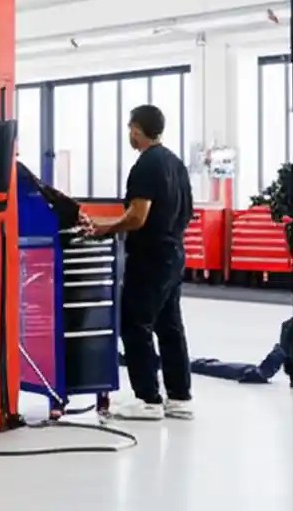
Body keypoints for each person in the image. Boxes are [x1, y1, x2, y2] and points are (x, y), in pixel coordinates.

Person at [88, 104, 194, 421]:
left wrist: (104, 229)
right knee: (169, 326)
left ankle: (147, 398)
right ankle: (179, 397)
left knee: (135, 324)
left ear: (136, 129)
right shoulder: (176, 164)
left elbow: (137, 216)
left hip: (150, 256)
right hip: (174, 252)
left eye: (130, 129)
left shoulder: (146, 165)